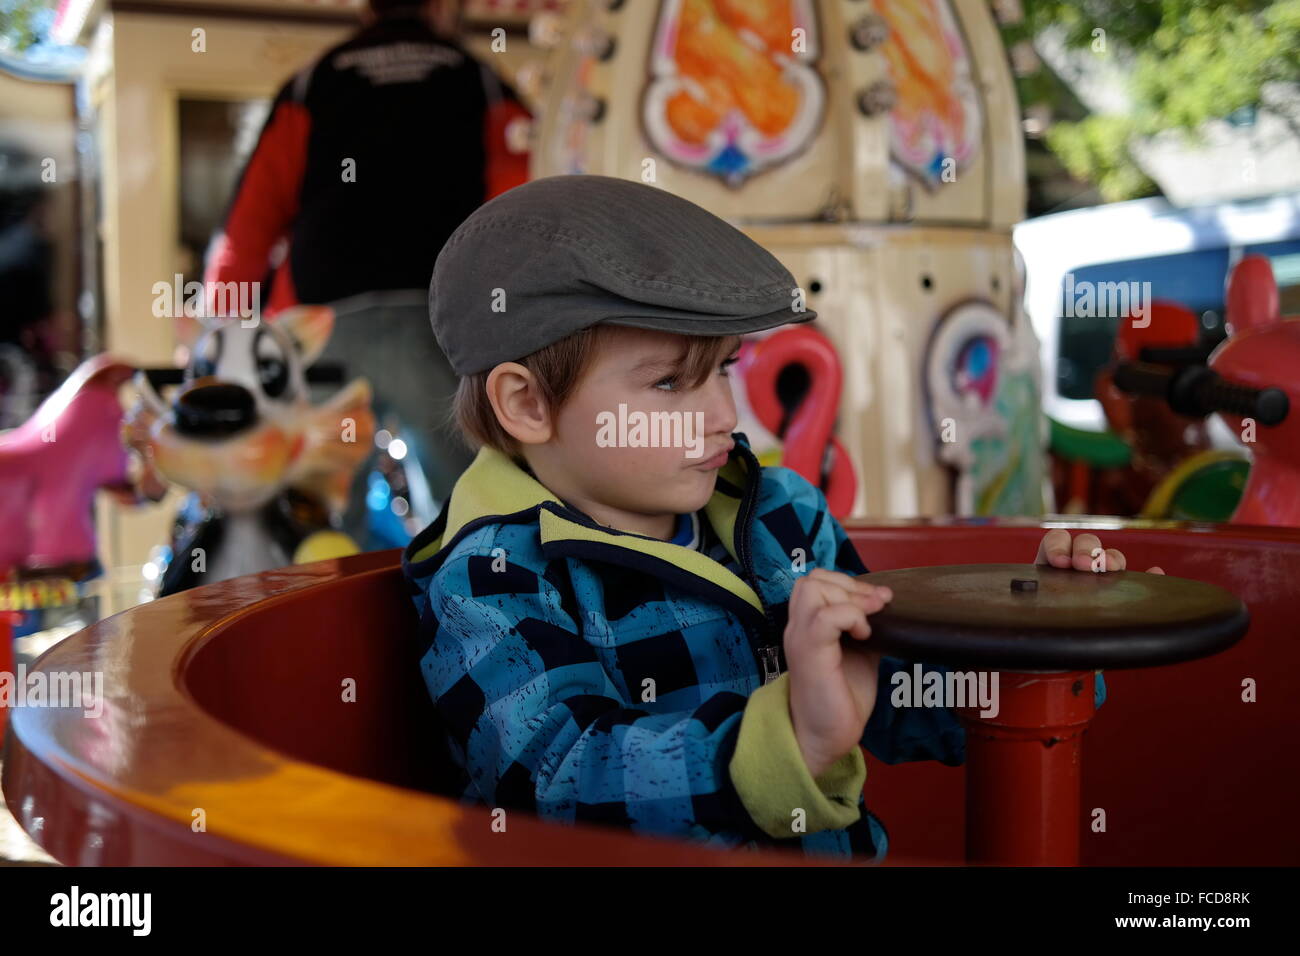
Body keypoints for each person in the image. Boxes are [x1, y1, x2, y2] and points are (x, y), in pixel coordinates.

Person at [402, 175, 1163, 861]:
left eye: (725, 369)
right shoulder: (492, 574)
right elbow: (555, 783)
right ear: (527, 404)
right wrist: (787, 739)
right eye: (669, 384)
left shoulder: (781, 517)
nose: (724, 417)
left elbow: (896, 697)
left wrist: (1038, 644)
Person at [203, 0, 529, 542]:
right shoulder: (481, 80)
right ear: (442, 7)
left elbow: (248, 227)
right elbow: (518, 209)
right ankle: (469, 614)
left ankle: (320, 618)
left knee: (320, 512)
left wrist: (220, 340)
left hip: (319, 326)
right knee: (471, 507)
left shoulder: (312, 84)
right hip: (440, 319)